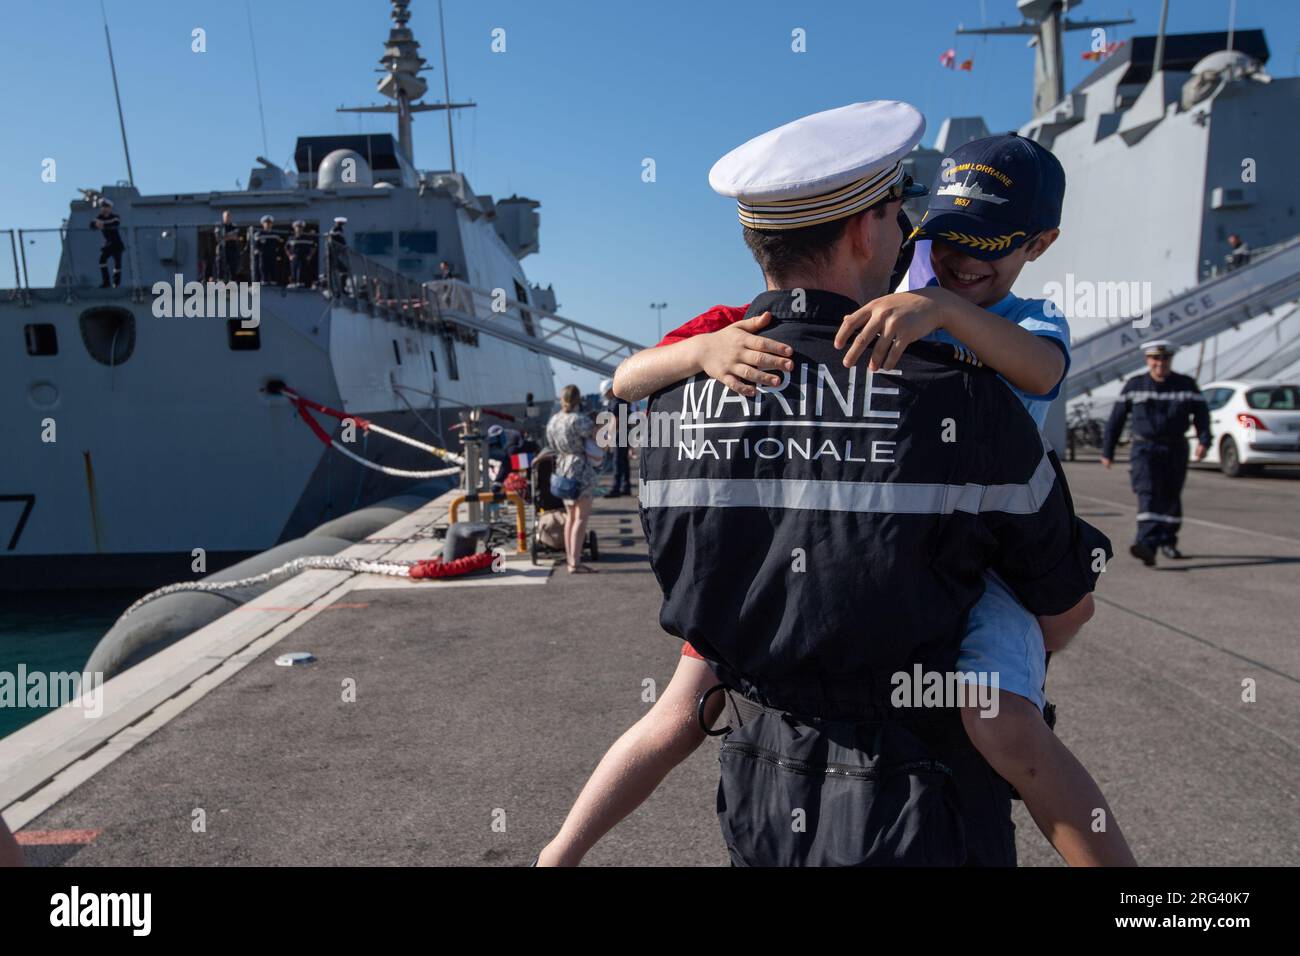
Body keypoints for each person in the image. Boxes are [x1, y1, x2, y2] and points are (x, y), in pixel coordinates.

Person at [540, 102, 1126, 867]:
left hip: (762, 789)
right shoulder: (965, 395)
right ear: (863, 232)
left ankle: (556, 855)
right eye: (900, 217)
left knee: (678, 707)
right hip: (925, 801)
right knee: (1009, 724)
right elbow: (1067, 599)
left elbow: (633, 395)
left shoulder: (693, 388)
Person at [1101, 340, 1210, 564]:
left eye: (1165, 358)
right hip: (1144, 448)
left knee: (1171, 495)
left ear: (1171, 360)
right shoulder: (1135, 385)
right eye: (1155, 359)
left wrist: (1204, 441)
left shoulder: (1186, 385)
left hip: (1175, 447)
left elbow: (1202, 415)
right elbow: (1116, 420)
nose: (1160, 363)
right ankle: (1147, 544)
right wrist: (1107, 450)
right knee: (1147, 491)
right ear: (1147, 360)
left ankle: (1168, 541)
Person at [545, 385, 599, 574]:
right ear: (578, 400)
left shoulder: (554, 421)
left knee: (570, 517)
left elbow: (550, 444)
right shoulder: (579, 420)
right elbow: (597, 437)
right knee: (581, 518)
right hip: (580, 468)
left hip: (562, 466)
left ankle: (570, 559)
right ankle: (575, 562)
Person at [598, 378, 632, 496]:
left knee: (617, 461)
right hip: (625, 433)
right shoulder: (622, 400)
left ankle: (616, 487)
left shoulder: (616, 402)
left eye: (606, 393)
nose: (606, 396)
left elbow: (616, 420)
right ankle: (625, 486)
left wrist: (609, 436)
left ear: (610, 390)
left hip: (619, 434)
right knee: (623, 461)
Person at [90, 198, 124, 288]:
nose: (104, 209)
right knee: (102, 261)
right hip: (108, 244)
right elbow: (92, 225)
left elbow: (115, 224)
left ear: (110, 208)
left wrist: (102, 224)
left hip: (116, 244)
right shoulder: (99, 217)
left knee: (117, 265)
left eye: (106, 207)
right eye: (102, 207)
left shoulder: (115, 217)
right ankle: (106, 282)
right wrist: (97, 224)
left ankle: (116, 283)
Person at [213, 209, 243, 282]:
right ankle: (220, 280)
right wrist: (230, 237)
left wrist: (225, 237)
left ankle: (232, 280)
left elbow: (237, 237)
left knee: (233, 265)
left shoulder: (234, 227)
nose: (227, 217)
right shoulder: (219, 226)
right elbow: (218, 238)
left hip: (232, 249)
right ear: (223, 217)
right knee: (220, 265)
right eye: (226, 216)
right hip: (222, 249)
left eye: (229, 216)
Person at [286, 220, 316, 288]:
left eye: (301, 227)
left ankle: (300, 283)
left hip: (303, 257)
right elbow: (286, 248)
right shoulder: (291, 238)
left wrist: (310, 256)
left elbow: (313, 247)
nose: (299, 229)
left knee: (301, 270)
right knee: (294, 270)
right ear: (294, 228)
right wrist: (289, 256)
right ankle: (293, 283)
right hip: (295, 257)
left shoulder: (307, 238)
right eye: (297, 227)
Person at [252, 215, 281, 285]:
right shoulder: (258, 234)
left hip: (272, 255)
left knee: (273, 268)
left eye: (269, 223)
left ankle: (273, 281)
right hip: (263, 255)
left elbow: (279, 245)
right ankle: (264, 281)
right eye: (266, 223)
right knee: (263, 268)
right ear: (263, 224)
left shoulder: (275, 235)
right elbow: (256, 246)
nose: (268, 224)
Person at [327, 217, 350, 295]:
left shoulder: (336, 230)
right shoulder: (336, 229)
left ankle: (338, 289)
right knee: (342, 270)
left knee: (338, 271)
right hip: (333, 255)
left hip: (334, 255)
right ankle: (338, 289)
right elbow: (336, 238)